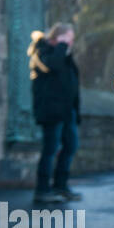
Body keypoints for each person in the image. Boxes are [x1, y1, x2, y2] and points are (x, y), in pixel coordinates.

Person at [29, 23, 82, 205]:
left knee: (71, 146)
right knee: (50, 149)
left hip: (67, 112)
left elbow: (71, 81)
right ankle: (42, 190)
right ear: (57, 37)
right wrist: (61, 45)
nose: (71, 42)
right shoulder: (42, 51)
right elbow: (52, 66)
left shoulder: (63, 54)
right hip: (51, 110)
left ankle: (61, 185)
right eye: (68, 38)